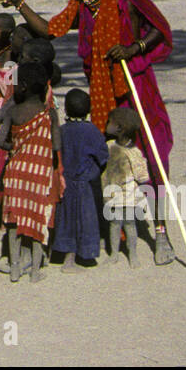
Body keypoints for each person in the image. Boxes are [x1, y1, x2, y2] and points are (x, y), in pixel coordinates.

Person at [0, 0, 178, 265]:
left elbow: (159, 29)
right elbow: (49, 29)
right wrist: (20, 4)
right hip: (102, 88)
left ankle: (161, 232)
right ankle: (113, 229)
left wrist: (132, 47)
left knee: (151, 157)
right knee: (109, 157)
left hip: (135, 85)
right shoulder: (80, 4)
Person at [0, 63, 59, 284]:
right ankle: (34, 271)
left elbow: (2, 141)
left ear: (21, 87)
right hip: (39, 174)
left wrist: (14, 147)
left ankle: (14, 268)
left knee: (13, 221)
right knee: (36, 218)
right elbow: (56, 146)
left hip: (15, 173)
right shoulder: (49, 113)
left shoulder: (13, 112)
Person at [53, 89, 108, 272]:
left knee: (67, 218)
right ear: (90, 109)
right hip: (84, 184)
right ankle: (73, 259)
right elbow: (102, 157)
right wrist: (92, 174)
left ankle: (64, 253)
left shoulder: (62, 130)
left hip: (65, 183)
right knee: (84, 219)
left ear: (66, 110)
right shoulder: (92, 131)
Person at [101, 107, 149, 267]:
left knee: (129, 224)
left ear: (119, 128)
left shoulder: (134, 153)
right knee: (114, 224)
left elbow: (142, 177)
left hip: (128, 196)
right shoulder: (108, 146)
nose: (106, 124)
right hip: (111, 194)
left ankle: (132, 254)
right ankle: (114, 253)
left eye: (110, 122)